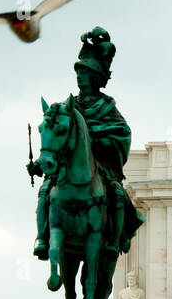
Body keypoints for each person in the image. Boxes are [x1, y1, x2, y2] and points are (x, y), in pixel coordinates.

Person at [33, 28, 143, 261]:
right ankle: (42, 237)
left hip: (100, 164)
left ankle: (114, 240)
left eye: (85, 72)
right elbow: (54, 139)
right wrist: (40, 163)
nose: (80, 77)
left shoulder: (106, 106)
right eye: (79, 73)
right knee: (45, 191)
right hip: (68, 170)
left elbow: (122, 133)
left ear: (95, 77)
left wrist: (97, 141)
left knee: (114, 191)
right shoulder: (65, 108)